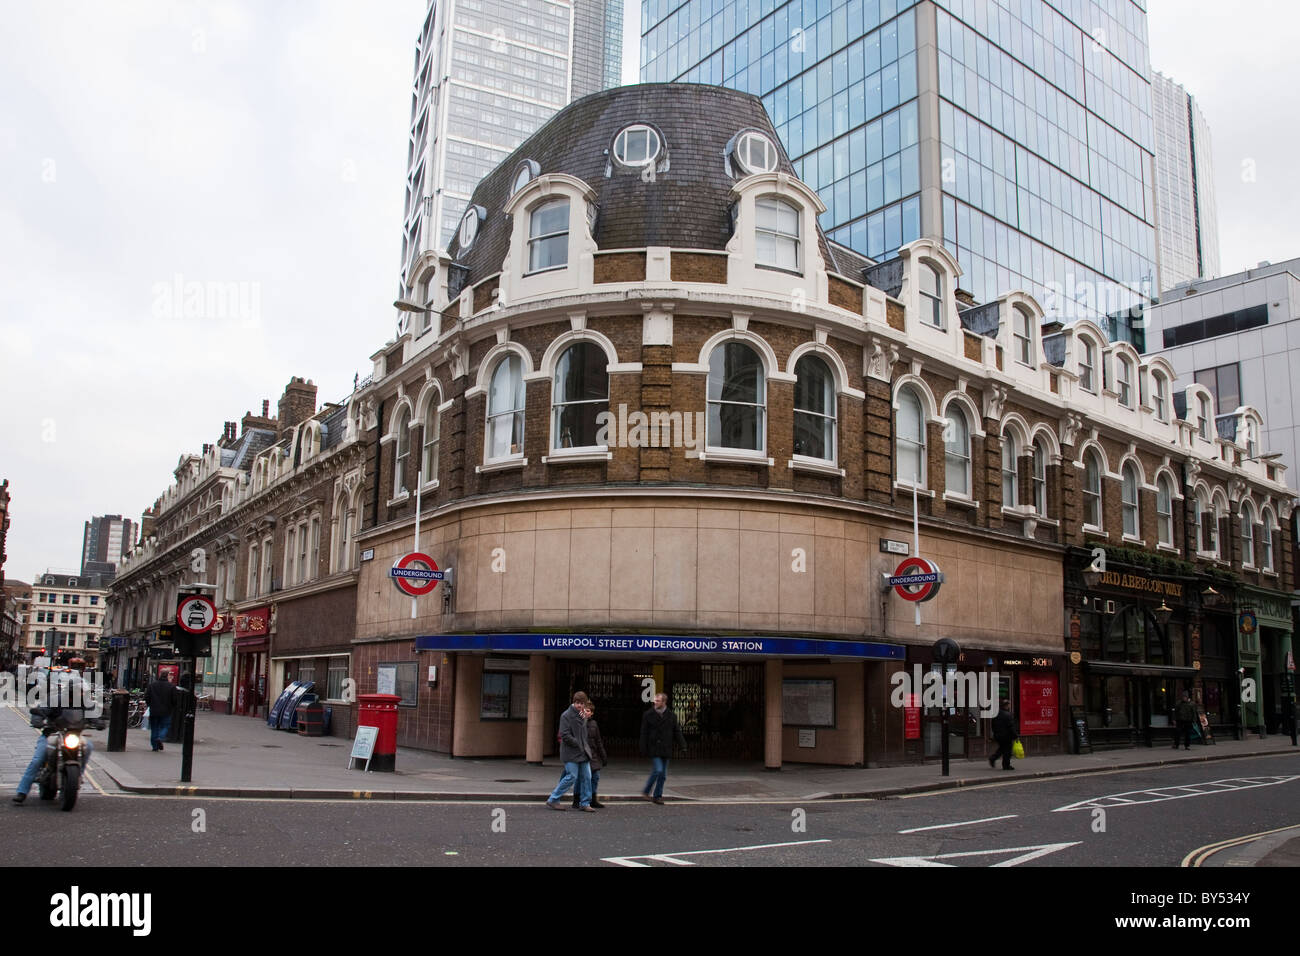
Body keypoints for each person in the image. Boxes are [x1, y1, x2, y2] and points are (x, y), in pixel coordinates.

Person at [12, 708, 93, 804]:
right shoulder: (54, 700)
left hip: (73, 735)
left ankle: (78, 775)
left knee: (88, 747)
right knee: (37, 760)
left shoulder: (82, 702)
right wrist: (37, 720)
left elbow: (92, 713)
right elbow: (41, 710)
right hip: (51, 734)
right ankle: (22, 791)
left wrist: (98, 721)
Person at [547, 691, 594, 812]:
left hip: (582, 752)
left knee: (587, 777)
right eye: (577, 703)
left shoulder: (582, 715)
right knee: (572, 776)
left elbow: (584, 734)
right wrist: (579, 744)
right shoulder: (566, 715)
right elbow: (565, 735)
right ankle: (553, 799)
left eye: (582, 703)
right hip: (570, 752)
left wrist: (584, 746)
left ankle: (585, 802)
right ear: (574, 702)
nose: (579, 705)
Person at [640, 692, 686, 804]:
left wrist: (683, 745)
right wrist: (643, 747)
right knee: (658, 770)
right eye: (655, 700)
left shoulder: (671, 716)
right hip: (654, 747)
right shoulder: (648, 714)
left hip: (666, 748)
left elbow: (677, 731)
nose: (655, 702)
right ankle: (646, 791)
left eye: (658, 701)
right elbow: (644, 733)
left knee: (663, 775)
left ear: (664, 702)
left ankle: (657, 796)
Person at [573, 703, 608, 809]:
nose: (586, 712)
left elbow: (598, 741)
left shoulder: (594, 724)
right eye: (585, 710)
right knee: (580, 778)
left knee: (595, 777)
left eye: (588, 711)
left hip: (593, 755)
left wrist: (603, 755)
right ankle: (576, 799)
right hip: (581, 754)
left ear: (592, 713)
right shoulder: (578, 722)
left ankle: (593, 799)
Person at [145, 670, 177, 752]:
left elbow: (147, 697)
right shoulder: (171, 686)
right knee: (165, 726)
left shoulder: (152, 685)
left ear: (159, 675)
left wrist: (150, 705)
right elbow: (174, 700)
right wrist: (172, 707)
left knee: (154, 728)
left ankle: (154, 747)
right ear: (167, 676)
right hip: (166, 710)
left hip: (154, 710)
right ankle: (160, 737)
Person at [989, 699, 1018, 770]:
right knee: (1008, 751)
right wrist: (1015, 736)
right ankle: (1006, 765)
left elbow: (992, 725)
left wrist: (995, 733)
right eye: (1008, 705)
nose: (1009, 706)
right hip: (1006, 736)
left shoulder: (996, 714)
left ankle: (993, 758)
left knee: (1002, 748)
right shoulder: (1008, 715)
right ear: (1006, 705)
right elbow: (1011, 727)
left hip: (998, 736)